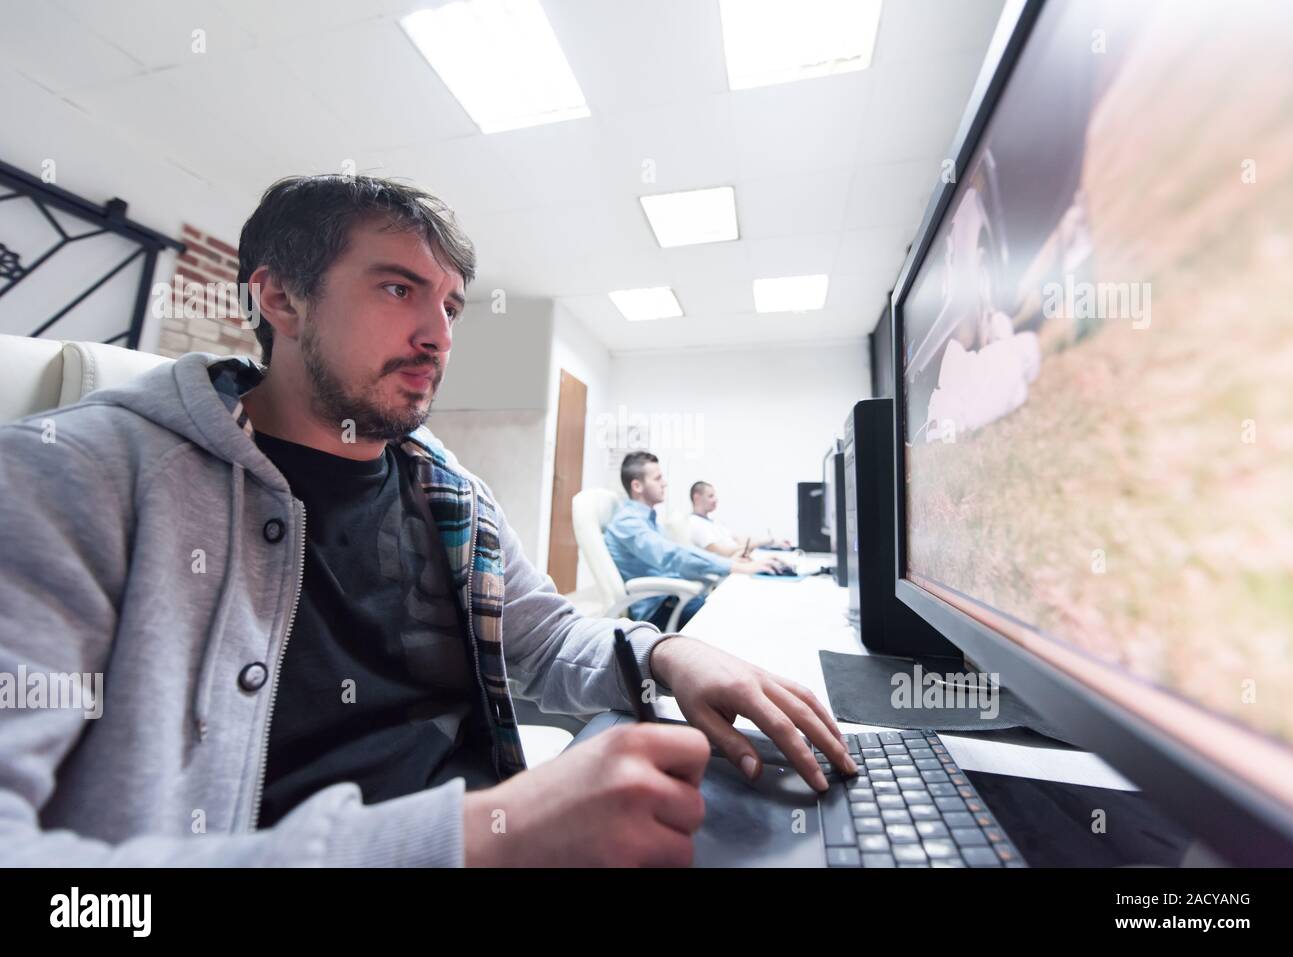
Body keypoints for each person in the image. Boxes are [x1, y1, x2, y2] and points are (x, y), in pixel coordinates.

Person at [0, 175, 856, 868]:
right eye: (399, 287)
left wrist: (668, 652)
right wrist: (469, 838)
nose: (439, 334)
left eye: (449, 304)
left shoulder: (450, 494)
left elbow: (549, 640)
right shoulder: (72, 476)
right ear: (282, 298)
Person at [604, 454, 779, 630]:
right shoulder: (628, 523)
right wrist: (735, 566)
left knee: (742, 604)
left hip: (674, 598)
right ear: (637, 486)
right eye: (658, 478)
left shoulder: (649, 520)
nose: (664, 483)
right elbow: (672, 555)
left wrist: (732, 563)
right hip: (660, 609)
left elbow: (678, 554)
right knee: (737, 621)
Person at [687, 480, 792, 558]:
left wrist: (774, 542)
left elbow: (737, 540)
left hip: (739, 559)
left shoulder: (713, 521)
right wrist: (760, 543)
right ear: (697, 498)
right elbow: (722, 553)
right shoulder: (695, 524)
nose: (716, 499)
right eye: (711, 496)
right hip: (730, 567)